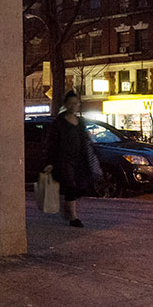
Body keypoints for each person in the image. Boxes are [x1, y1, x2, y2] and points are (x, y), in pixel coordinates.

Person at [46, 90, 101, 227]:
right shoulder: (59, 122)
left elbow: (83, 139)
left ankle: (68, 207)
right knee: (70, 185)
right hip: (64, 159)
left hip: (79, 159)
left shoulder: (80, 121)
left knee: (80, 185)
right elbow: (52, 143)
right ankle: (73, 217)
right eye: (70, 103)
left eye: (75, 103)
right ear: (65, 104)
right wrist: (50, 162)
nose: (73, 106)